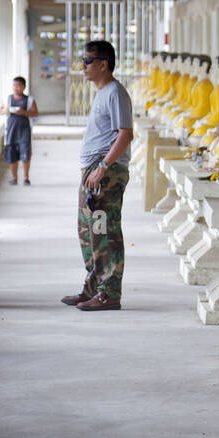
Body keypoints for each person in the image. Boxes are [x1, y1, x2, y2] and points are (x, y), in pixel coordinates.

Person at [64, 39, 133, 311]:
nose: (83, 66)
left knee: (105, 232)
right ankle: (93, 286)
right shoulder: (102, 92)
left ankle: (109, 293)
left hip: (106, 175)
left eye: (88, 61)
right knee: (88, 231)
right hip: (93, 175)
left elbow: (125, 134)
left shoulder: (115, 92)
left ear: (104, 64)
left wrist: (103, 166)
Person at [0, 76, 39, 184]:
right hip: (11, 131)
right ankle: (14, 178)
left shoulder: (29, 100)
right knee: (12, 155)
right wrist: (5, 110)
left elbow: (36, 113)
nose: (16, 88)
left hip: (25, 131)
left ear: (24, 87)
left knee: (25, 154)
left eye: (19, 86)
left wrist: (24, 112)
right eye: (14, 85)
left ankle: (26, 178)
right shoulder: (8, 99)